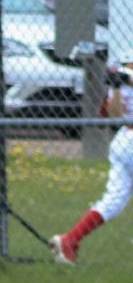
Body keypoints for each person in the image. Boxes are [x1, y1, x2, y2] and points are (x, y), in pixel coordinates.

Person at [51, 62, 131, 265]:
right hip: (127, 138)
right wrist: (117, 84)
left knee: (113, 200)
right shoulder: (122, 76)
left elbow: (109, 114)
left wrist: (121, 82)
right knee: (113, 200)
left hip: (123, 141)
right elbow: (113, 115)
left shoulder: (124, 75)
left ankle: (70, 240)